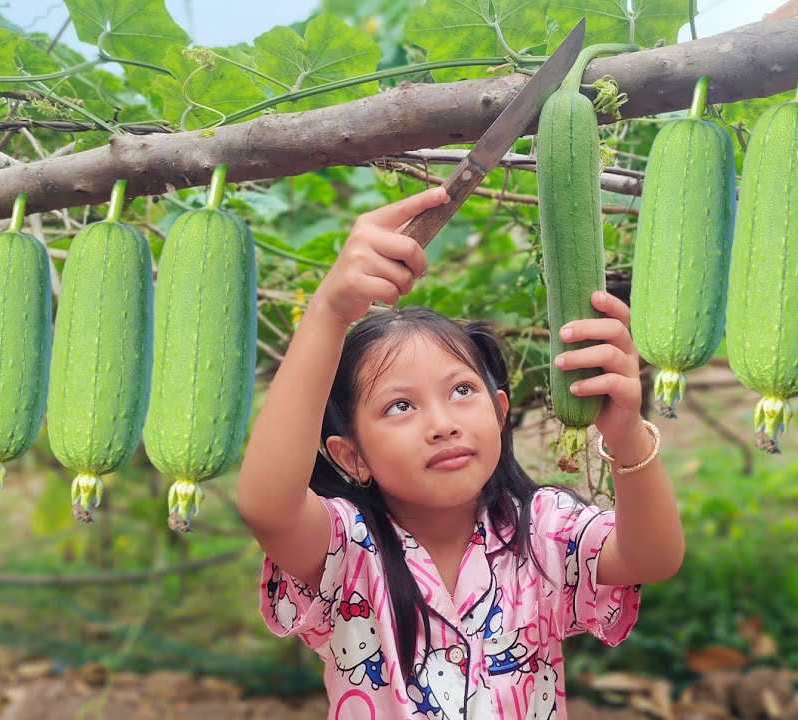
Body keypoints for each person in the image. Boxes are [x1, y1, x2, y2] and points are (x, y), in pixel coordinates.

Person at [237, 186, 684, 719]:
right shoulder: (345, 550)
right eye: (400, 406)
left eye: (462, 391)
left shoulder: (542, 530)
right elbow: (268, 505)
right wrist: (330, 313)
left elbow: (651, 558)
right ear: (351, 455)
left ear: (499, 412)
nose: (442, 425)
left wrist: (627, 433)